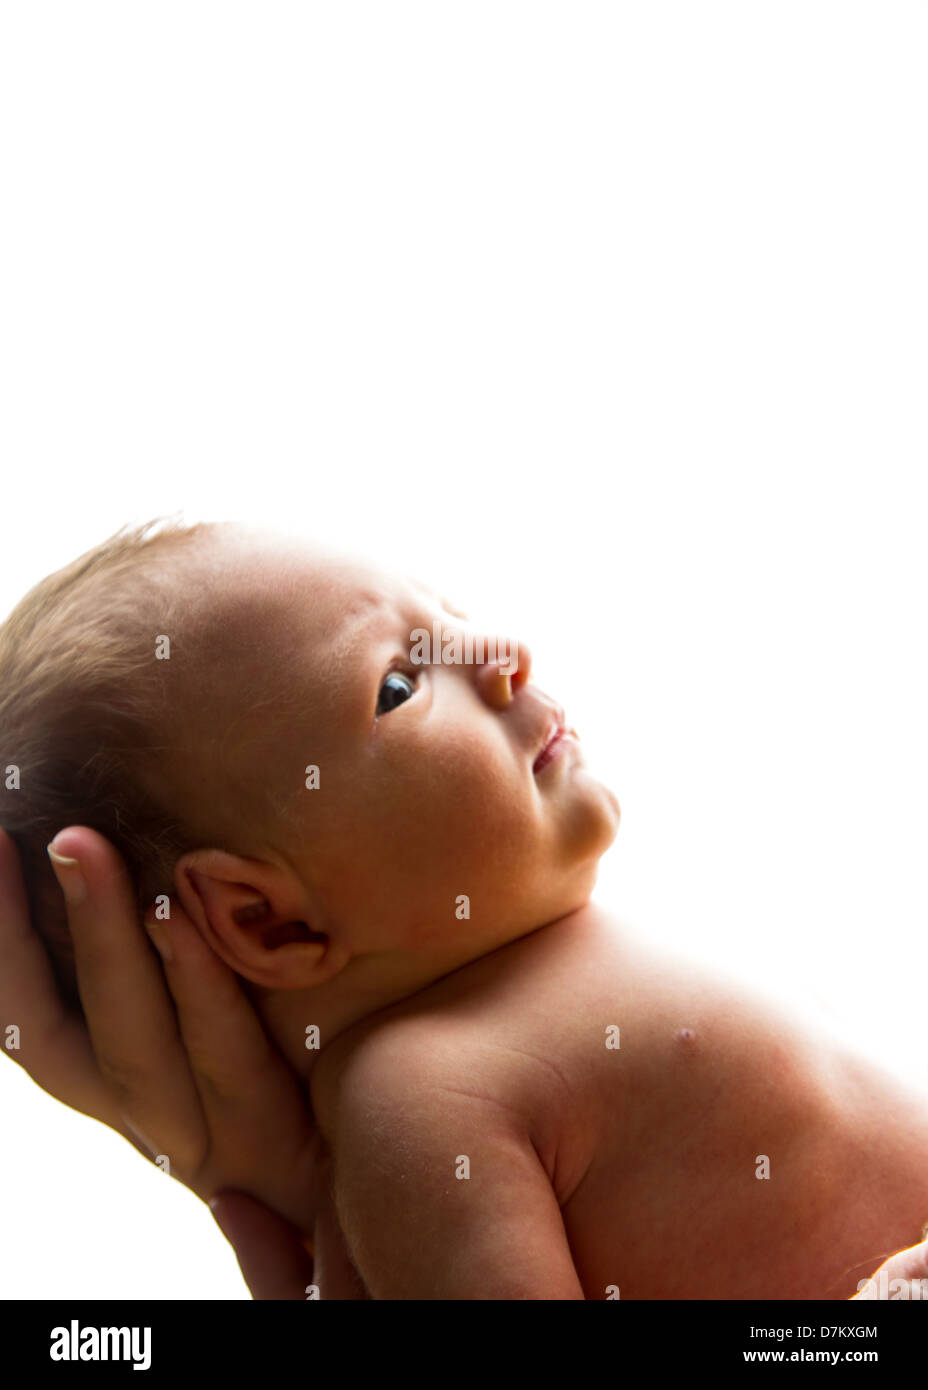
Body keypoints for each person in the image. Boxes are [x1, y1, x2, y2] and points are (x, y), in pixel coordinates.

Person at [2, 516, 928, 1298]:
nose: (501, 656)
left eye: (449, 618)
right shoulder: (418, 1095)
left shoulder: (565, 951)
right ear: (270, 921)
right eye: (400, 685)